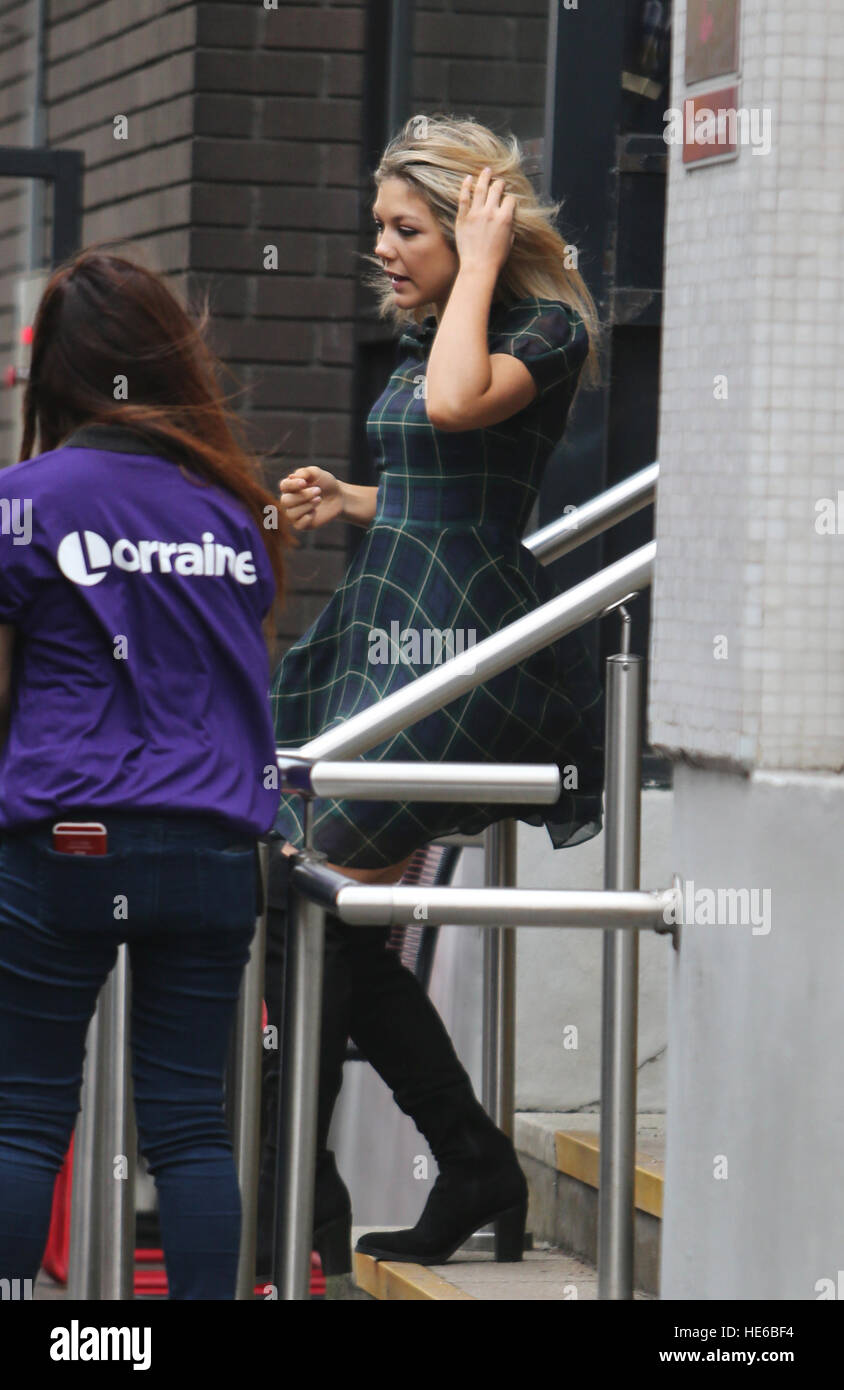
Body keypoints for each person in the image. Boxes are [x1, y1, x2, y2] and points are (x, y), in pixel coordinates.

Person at [258, 114, 606, 1274]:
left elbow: (460, 412)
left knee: (315, 909)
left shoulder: (543, 328)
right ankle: (455, 1167)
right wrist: (349, 500)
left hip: (456, 643)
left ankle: (305, 1218)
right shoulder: (436, 330)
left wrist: (487, 265)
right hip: (386, 620)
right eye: (379, 229)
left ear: (474, 222)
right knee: (307, 909)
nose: (384, 251)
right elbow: (432, 466)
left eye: (408, 228)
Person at [0, 248, 290, 1300]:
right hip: (212, 844)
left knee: (26, 1111)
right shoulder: (230, 511)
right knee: (187, 1126)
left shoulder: (23, 503)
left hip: (66, 837)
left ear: (59, 373)